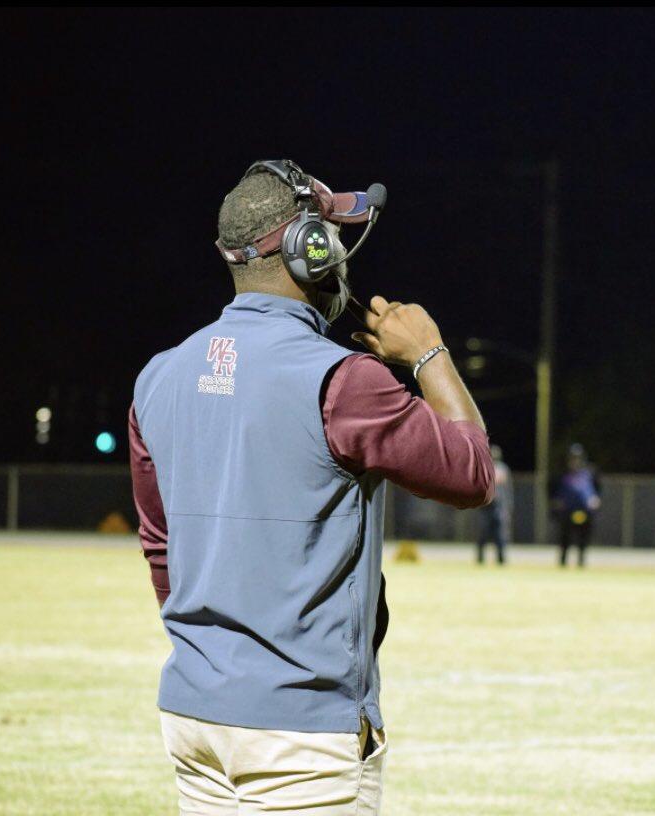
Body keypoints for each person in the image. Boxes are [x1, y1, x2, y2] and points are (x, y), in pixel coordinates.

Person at [129, 159, 494, 815]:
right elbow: (471, 475)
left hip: (193, 718)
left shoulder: (159, 376)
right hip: (299, 733)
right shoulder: (345, 381)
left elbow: (162, 552)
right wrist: (428, 355)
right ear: (310, 250)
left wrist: (219, 661)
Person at [551, 443, 601, 567]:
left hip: (585, 510)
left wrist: (596, 499)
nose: (575, 460)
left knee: (583, 536)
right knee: (564, 537)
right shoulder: (562, 473)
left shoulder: (589, 472)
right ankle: (563, 562)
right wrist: (555, 501)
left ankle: (581, 561)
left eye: (577, 457)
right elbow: (552, 489)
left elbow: (597, 489)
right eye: (573, 457)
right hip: (567, 510)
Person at [476, 444, 511, 565]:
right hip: (485, 507)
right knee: (483, 534)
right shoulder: (483, 468)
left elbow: (508, 490)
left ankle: (501, 559)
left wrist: (508, 507)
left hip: (499, 507)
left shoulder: (503, 469)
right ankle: (480, 559)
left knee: (500, 535)